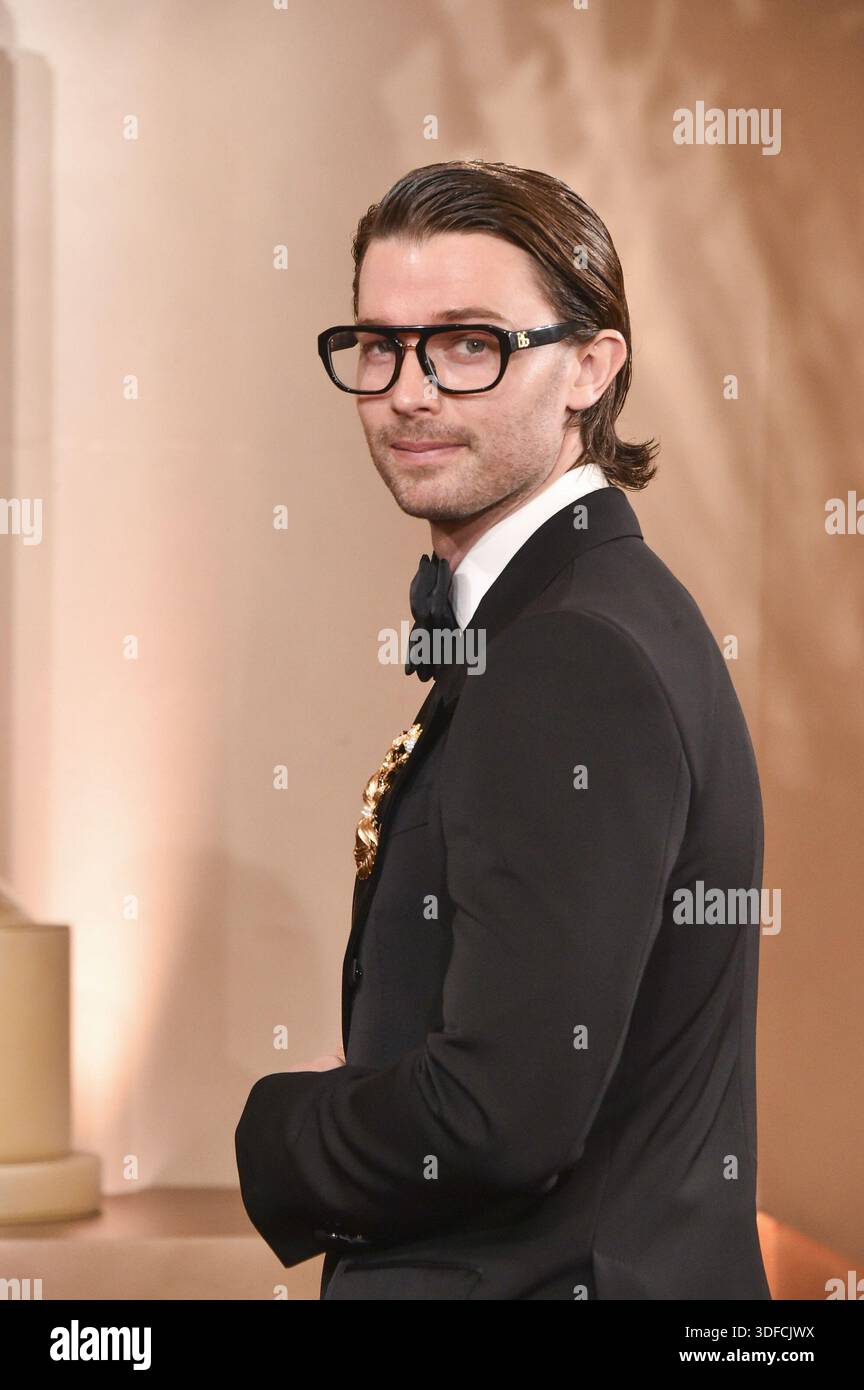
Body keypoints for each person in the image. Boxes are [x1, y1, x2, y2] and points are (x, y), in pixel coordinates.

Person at [235, 159, 771, 1301]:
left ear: (590, 365)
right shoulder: (579, 613)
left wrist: (271, 1133)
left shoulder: (572, 653)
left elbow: (500, 1115)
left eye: (469, 344)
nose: (410, 392)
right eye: (380, 346)